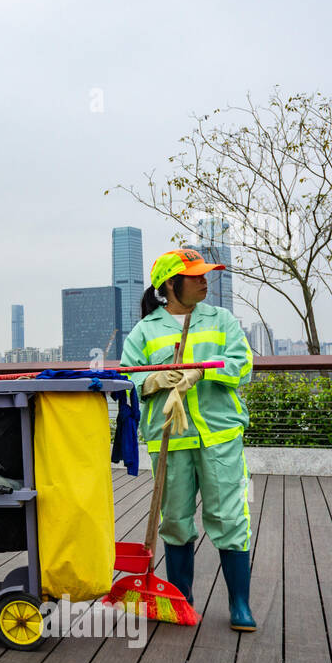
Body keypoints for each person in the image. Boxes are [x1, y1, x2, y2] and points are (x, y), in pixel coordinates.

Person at [122, 249, 256, 632]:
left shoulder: (223, 320)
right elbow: (125, 380)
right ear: (170, 284)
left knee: (229, 517)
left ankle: (240, 605)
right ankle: (182, 601)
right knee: (176, 522)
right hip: (170, 438)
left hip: (220, 436)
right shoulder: (145, 332)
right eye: (195, 275)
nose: (204, 280)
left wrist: (202, 372)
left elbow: (243, 364)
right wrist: (151, 381)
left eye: (205, 274)